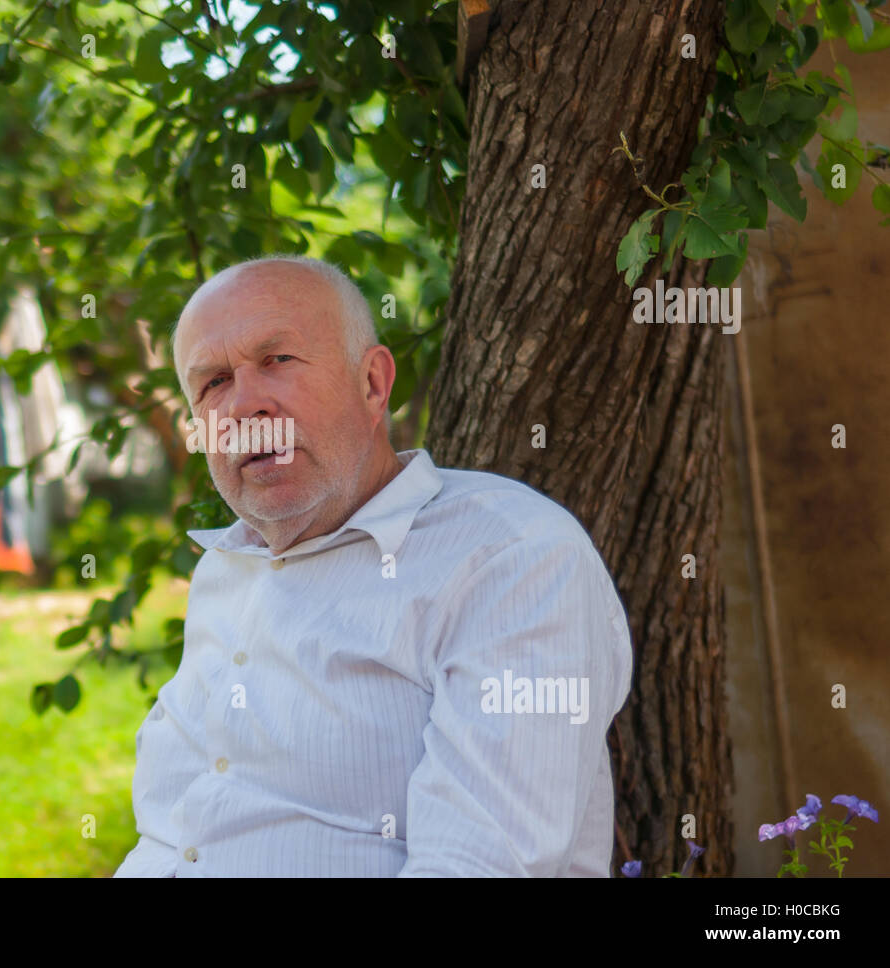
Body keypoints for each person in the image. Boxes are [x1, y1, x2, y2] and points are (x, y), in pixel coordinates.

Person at [113, 255, 632, 877]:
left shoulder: (509, 558)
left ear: (372, 384)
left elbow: (477, 867)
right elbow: (172, 837)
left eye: (278, 359)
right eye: (214, 383)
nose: (245, 405)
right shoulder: (227, 567)